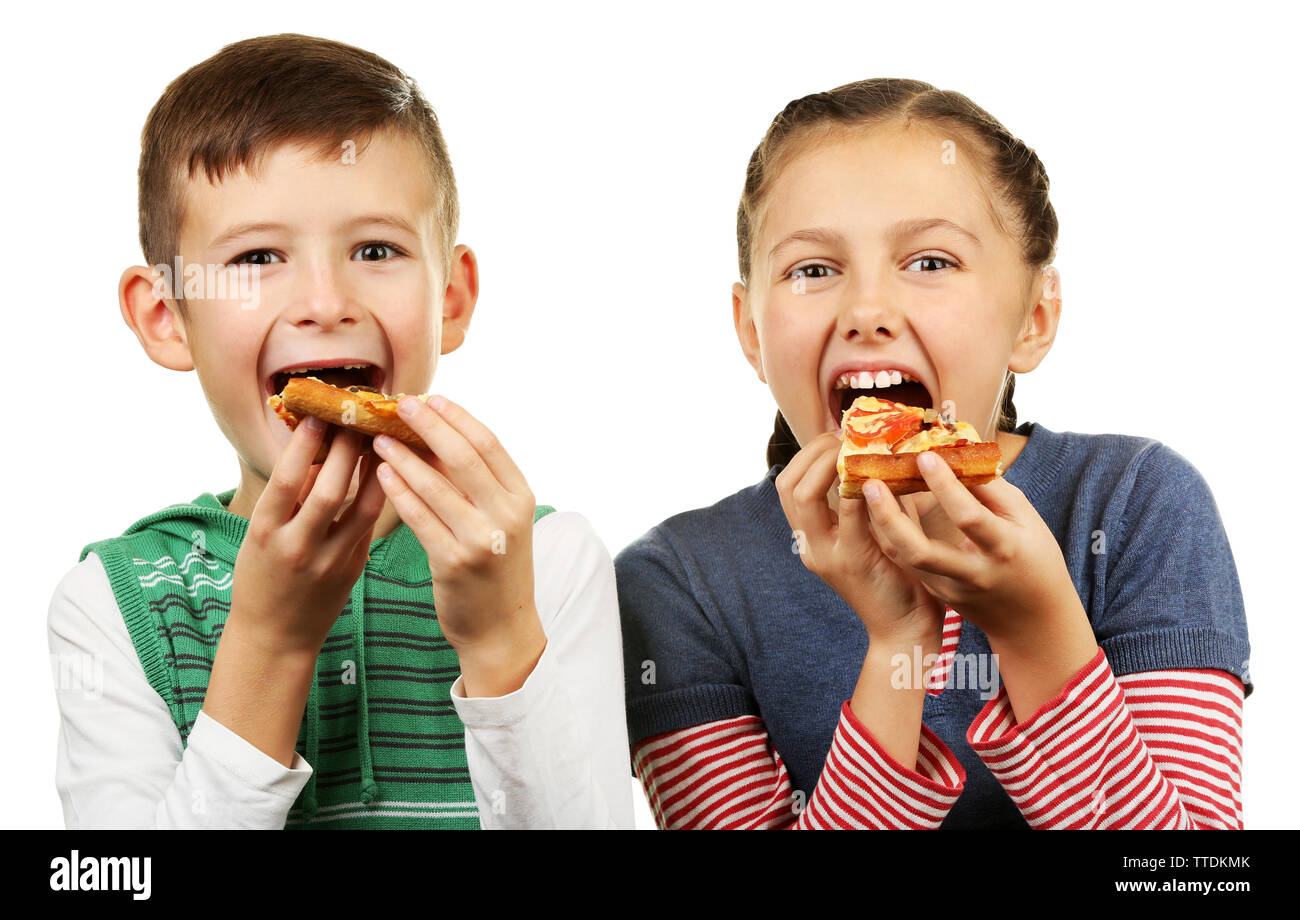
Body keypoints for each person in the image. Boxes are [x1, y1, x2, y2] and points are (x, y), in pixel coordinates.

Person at [615, 78, 1249, 829]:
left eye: (931, 262)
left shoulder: (1138, 506)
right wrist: (896, 647)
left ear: (1034, 317)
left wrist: (1035, 627)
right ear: (750, 331)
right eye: (813, 270)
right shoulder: (677, 582)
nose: (867, 312)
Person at [48, 33, 630, 829]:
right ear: (165, 316)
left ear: (451, 297)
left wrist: (501, 642)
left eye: (376, 249)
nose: (325, 301)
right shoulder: (117, 602)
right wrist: (270, 643)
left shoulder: (548, 563)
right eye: (256, 257)